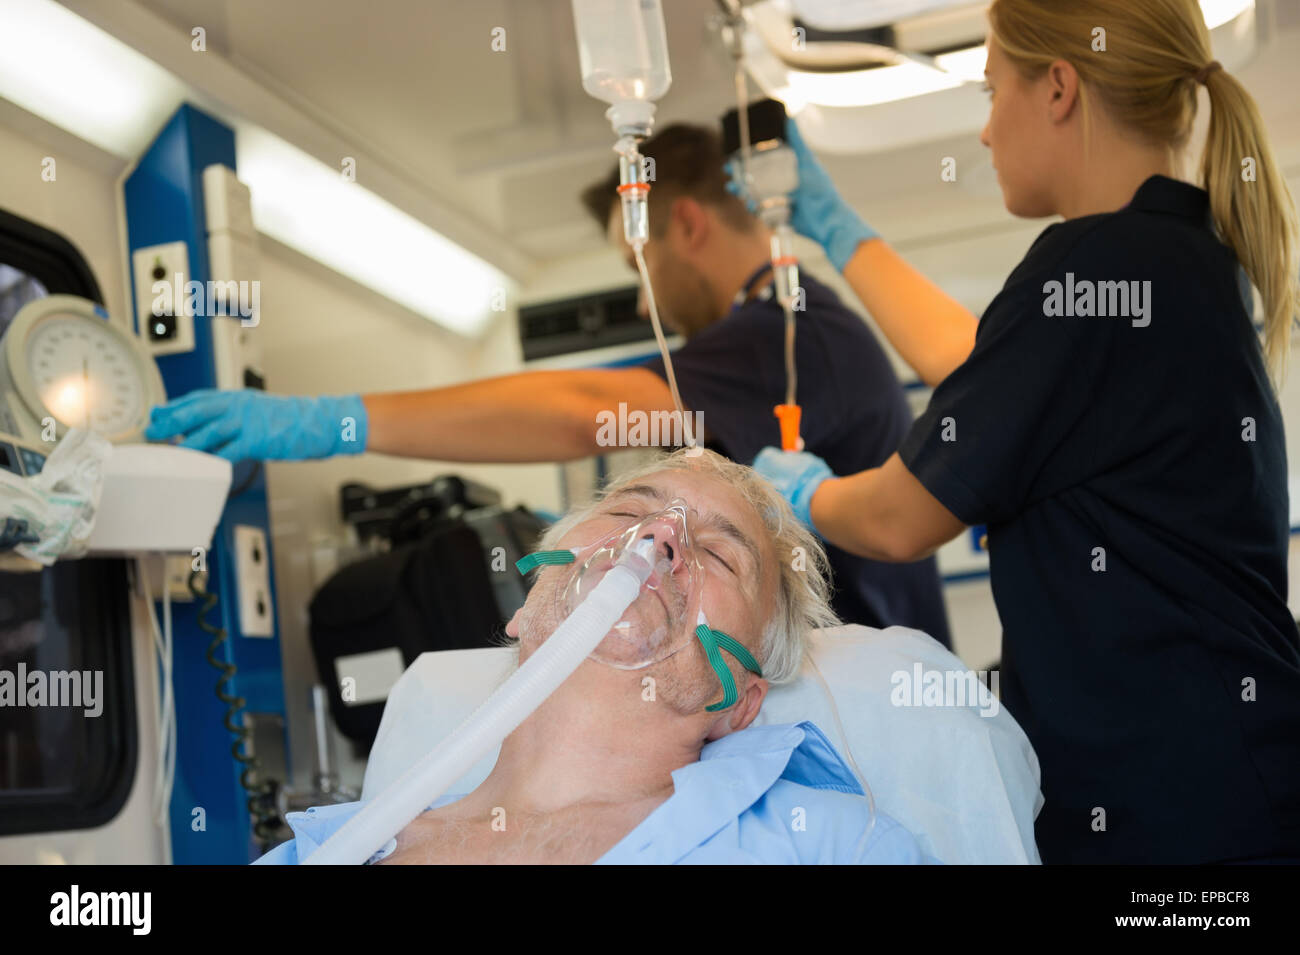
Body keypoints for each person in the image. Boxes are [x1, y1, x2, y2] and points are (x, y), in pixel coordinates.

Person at [751, 0, 1300, 864]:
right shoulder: (1179, 259)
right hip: (1229, 789)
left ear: (1058, 89)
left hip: (1176, 818)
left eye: (990, 89)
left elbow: (900, 517)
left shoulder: (1093, 265)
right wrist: (836, 228)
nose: (983, 132)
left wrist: (800, 495)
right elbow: (983, 370)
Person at [145, 123, 952, 648]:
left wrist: (338, 421)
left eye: (635, 265)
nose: (644, 299)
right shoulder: (791, 329)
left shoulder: (787, 330)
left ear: (687, 226)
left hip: (856, 708)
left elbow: (591, 415)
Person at [255, 449, 934, 864]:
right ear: (525, 608)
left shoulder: (828, 847)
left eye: (722, 553)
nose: (660, 537)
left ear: (739, 702)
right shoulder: (335, 848)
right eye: (626, 511)